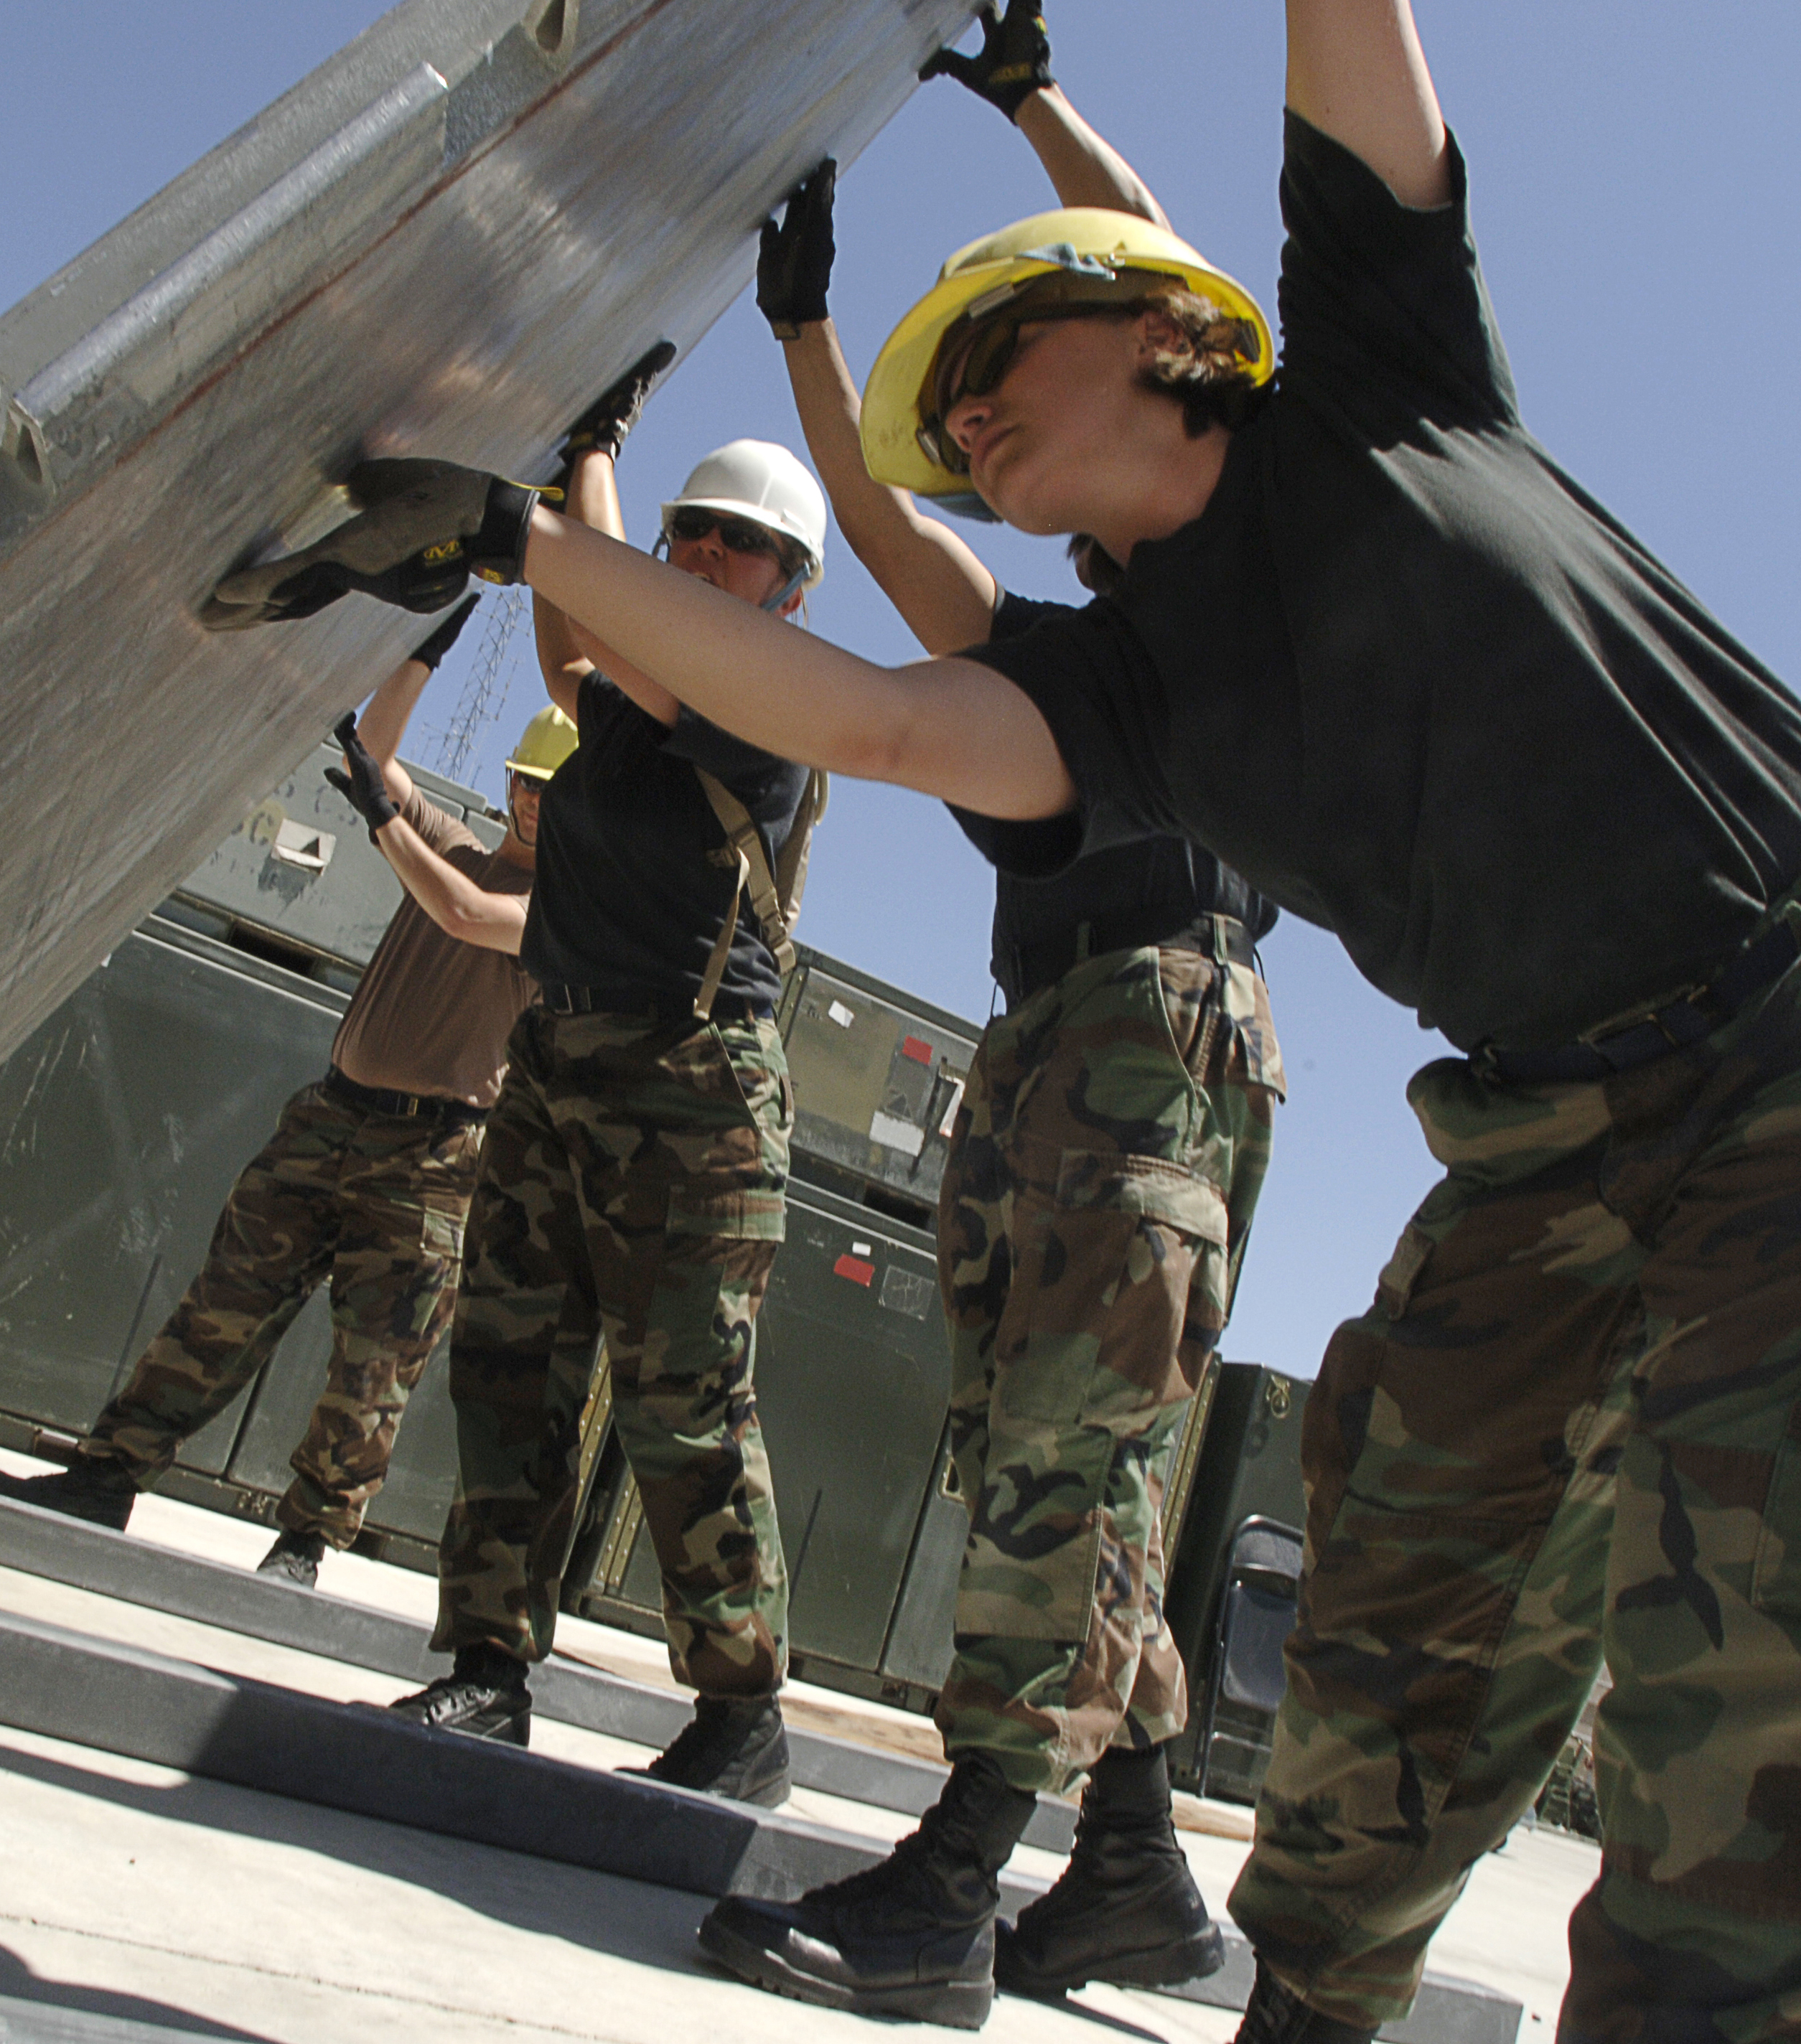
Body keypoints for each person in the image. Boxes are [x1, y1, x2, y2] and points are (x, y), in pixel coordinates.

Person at [220, 3, 1801, 2038]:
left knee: (1731, 1751)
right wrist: (522, 538)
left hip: (1778, 1037)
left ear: (1159, 333)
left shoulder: (1385, 391)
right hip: (1532, 1152)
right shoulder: (1118, 693)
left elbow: (1332, 104)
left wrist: (1030, 92)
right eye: (931, 410)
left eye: (978, 367)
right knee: (1379, 1685)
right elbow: (872, 712)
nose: (952, 417)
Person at [683, 17, 1280, 2017]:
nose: (1029, 457)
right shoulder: (1057, 648)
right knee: (1049, 1463)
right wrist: (802, 333)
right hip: (1054, 1039)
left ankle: (953, 1883)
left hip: (1156, 1023)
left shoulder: (1232, 586)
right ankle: (1121, 1873)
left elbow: (1152, 279)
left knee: (1055, 1458)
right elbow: (879, 536)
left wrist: (1026, 95)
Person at [381, 362, 822, 1807]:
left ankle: (743, 1705)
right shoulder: (628, 705)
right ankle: (492, 1664)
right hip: (561, 1054)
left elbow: (610, 623)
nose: (700, 553)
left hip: (691, 1085)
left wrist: (581, 482)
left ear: (788, 590)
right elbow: (574, 634)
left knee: (682, 1397)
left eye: (734, 543)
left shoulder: (773, 708)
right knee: (509, 1360)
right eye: (687, 529)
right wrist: (583, 455)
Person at [0, 601, 563, 1588]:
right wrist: (427, 642)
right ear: (509, 781)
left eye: (560, 789)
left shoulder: (562, 913)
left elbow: (464, 915)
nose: (537, 801)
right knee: (222, 1306)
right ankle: (110, 1472)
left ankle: (309, 1538)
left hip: (435, 1159)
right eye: (530, 781)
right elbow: (372, 751)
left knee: (375, 1362)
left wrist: (382, 821)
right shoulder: (454, 844)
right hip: (332, 1113)